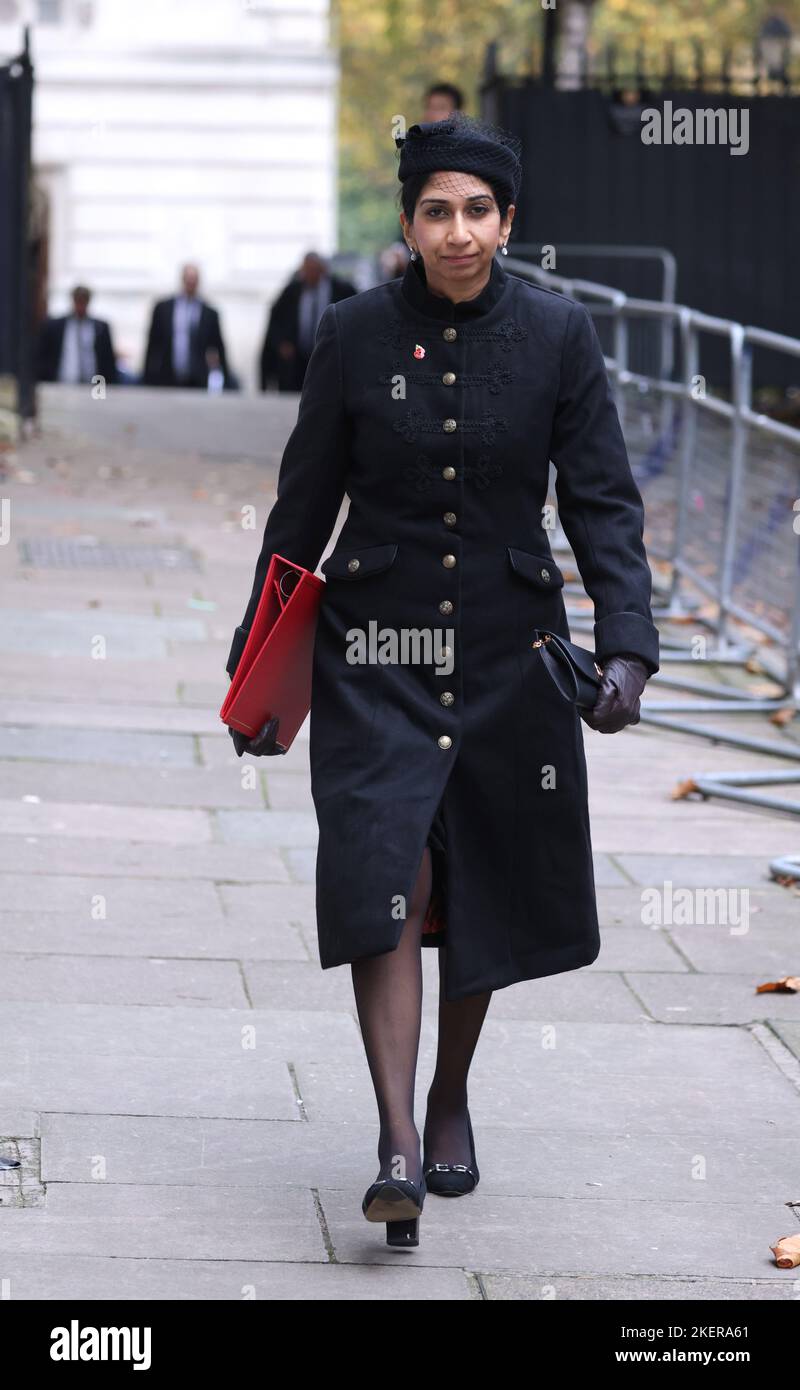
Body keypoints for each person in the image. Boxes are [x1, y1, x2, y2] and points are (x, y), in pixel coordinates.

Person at [223, 113, 659, 1249]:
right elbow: (302, 505)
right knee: (386, 874)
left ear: (507, 222)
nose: (455, 231)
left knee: (474, 894)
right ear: (407, 223)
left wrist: (626, 645)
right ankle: (394, 1146)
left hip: (511, 658)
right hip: (375, 654)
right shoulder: (350, 334)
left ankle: (447, 1094)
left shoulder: (560, 336)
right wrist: (255, 666)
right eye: (434, 211)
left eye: (476, 210)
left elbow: (603, 500)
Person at [259, 252, 356, 393]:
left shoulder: (342, 290)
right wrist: (282, 343)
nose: (308, 275)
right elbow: (275, 322)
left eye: (312, 270)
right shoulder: (292, 291)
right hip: (297, 360)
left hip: (332, 358)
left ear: (322, 270)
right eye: (305, 270)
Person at [143, 264, 235, 389]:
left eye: (194, 279)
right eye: (188, 279)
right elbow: (152, 345)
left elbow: (219, 346)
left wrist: (226, 378)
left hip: (198, 379)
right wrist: (147, 376)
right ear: (182, 279)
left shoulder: (209, 313)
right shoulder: (163, 309)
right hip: (167, 378)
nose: (191, 283)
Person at [36, 285, 118, 385]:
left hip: (92, 384)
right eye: (78, 301)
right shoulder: (55, 326)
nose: (80, 306)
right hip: (61, 383)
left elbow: (108, 360)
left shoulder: (100, 327)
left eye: (83, 301)